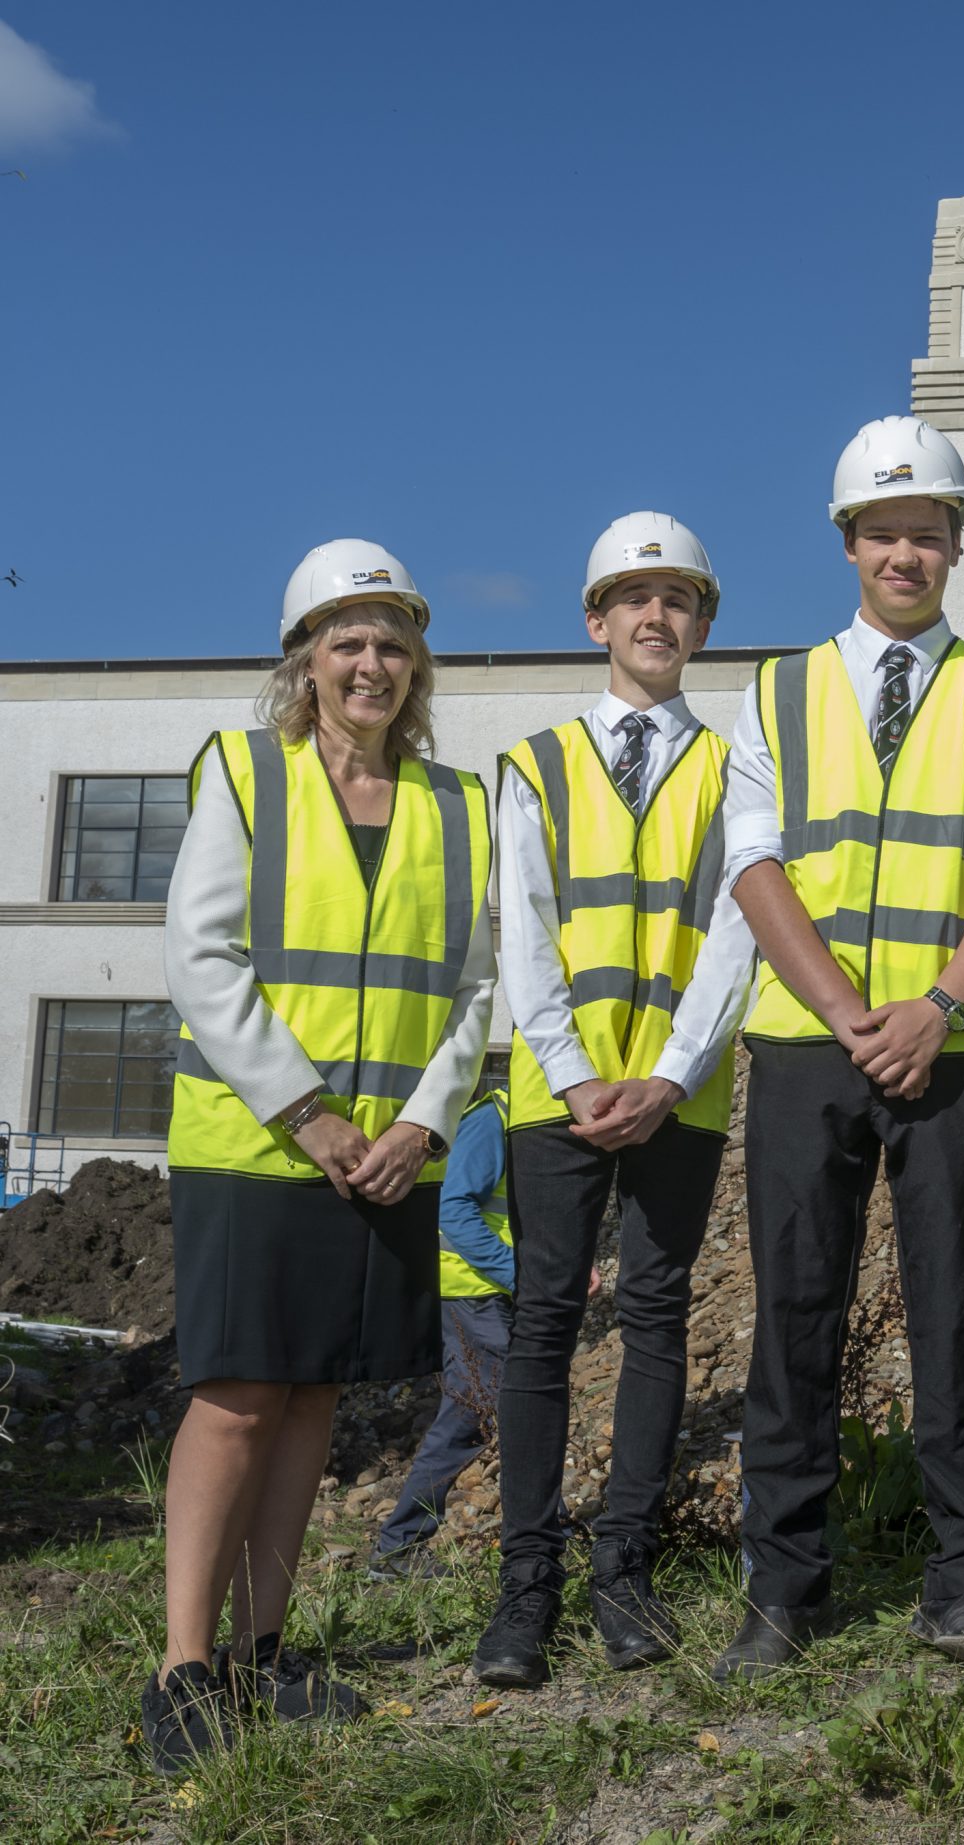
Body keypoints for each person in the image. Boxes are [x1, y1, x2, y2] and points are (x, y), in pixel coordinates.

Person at [711, 416, 964, 1682]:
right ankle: (782, 1590)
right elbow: (752, 861)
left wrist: (938, 1008)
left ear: (955, 545)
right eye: (881, 531)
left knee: (954, 1312)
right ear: (847, 543)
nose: (903, 553)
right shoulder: (776, 689)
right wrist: (845, 1011)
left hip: (953, 1047)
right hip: (811, 1046)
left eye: (925, 531)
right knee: (793, 1314)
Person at [149, 542, 494, 1773]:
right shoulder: (246, 774)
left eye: (392, 643)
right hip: (256, 1148)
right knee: (239, 1397)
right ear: (304, 661)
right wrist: (311, 1115)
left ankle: (262, 1652)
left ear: (417, 665)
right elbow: (200, 959)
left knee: (313, 1397)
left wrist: (422, 1126)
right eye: (346, 641)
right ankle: (182, 1670)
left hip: (387, 1158)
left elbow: (475, 988)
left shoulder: (459, 805)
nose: (371, 664)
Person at [473, 513, 755, 1689]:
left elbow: (739, 930)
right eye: (635, 598)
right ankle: (524, 1588)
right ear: (596, 620)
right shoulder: (535, 765)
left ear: (701, 625)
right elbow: (523, 934)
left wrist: (671, 1074)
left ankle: (622, 1573)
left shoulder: (736, 769)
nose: (656, 616)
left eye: (678, 599)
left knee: (654, 1318)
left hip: (678, 1094)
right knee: (544, 1321)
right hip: (561, 1092)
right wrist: (577, 1073)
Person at [368, 1086, 582, 1577]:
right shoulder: (496, 1117)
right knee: (498, 1408)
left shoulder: (529, 1114)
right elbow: (455, 1210)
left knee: (485, 1410)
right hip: (475, 1290)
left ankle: (402, 1545)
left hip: (490, 1291)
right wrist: (521, 1275)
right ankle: (402, 1545)